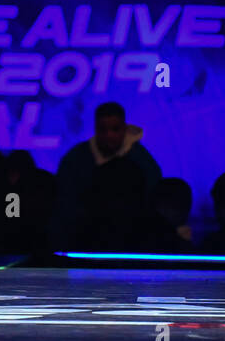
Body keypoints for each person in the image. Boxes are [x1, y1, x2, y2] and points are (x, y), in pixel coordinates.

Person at [48, 102, 161, 250]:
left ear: (124, 129)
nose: (109, 136)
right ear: (95, 129)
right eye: (103, 129)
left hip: (133, 242)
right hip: (84, 241)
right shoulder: (75, 159)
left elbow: (154, 202)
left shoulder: (142, 161)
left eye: (115, 129)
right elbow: (64, 204)